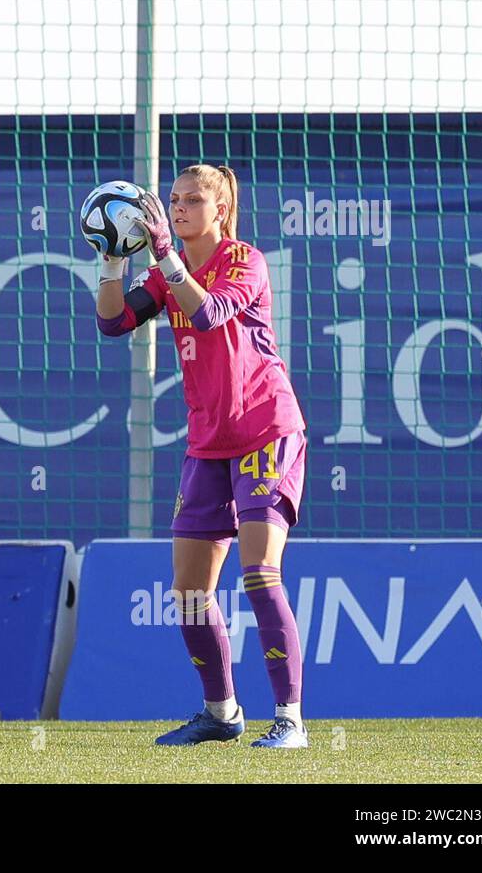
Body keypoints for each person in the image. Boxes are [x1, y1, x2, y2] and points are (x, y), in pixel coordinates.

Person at [95, 164, 310, 748]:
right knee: (188, 591)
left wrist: (164, 252)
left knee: (260, 573)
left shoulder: (245, 260)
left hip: (266, 430)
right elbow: (113, 321)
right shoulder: (166, 275)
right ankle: (221, 712)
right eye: (173, 199)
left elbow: (212, 313)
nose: (180, 207)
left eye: (193, 200)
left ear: (220, 210)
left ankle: (290, 720)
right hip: (207, 444)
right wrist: (112, 259)